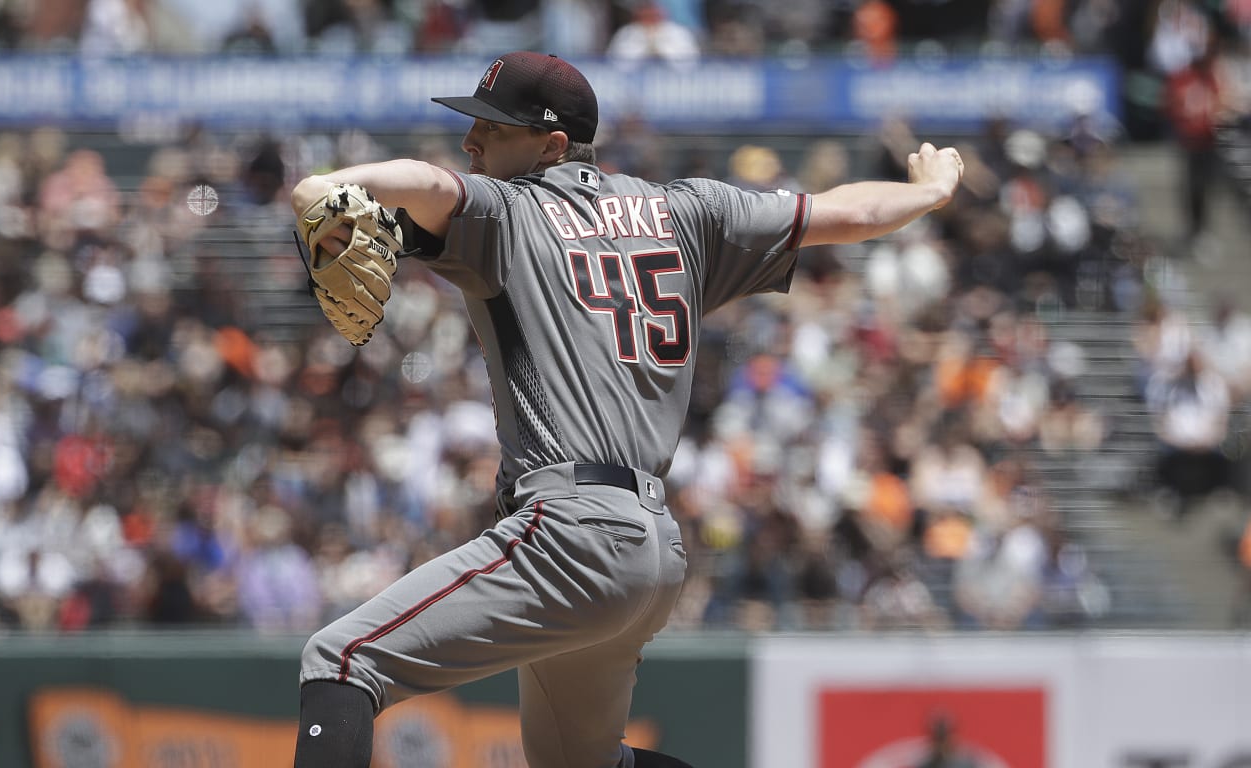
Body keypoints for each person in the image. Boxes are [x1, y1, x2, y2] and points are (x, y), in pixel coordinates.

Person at [288, 51, 964, 768]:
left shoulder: (511, 210)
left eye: (492, 127)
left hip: (569, 535)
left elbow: (426, 184)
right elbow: (851, 211)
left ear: (552, 146)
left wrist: (335, 182)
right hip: (652, 549)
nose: (472, 142)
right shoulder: (690, 211)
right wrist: (928, 193)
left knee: (339, 660)